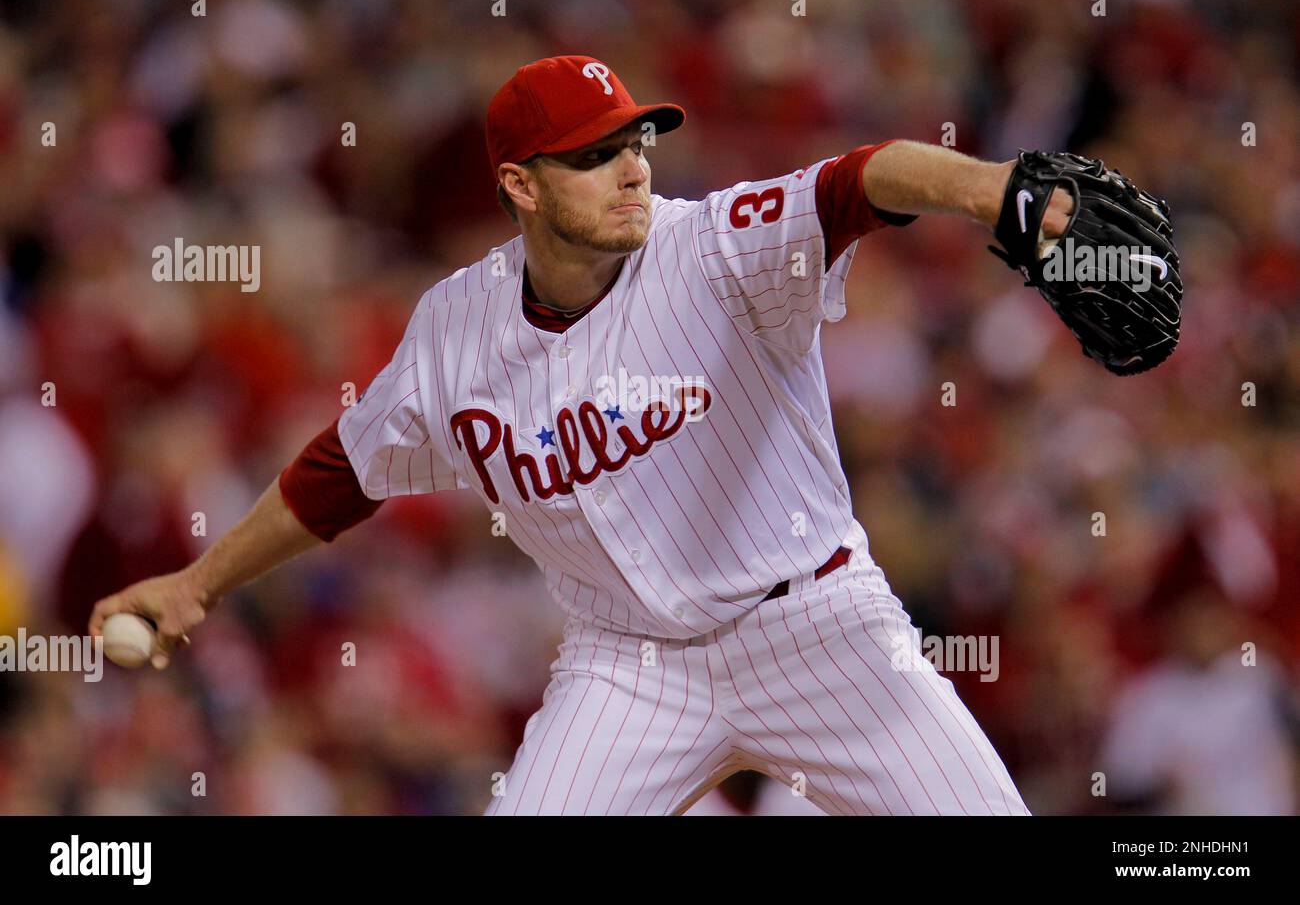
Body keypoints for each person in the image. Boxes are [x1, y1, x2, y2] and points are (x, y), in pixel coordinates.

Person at [91, 55, 1073, 815]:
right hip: (628, 667)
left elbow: (859, 180)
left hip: (814, 626)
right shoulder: (455, 329)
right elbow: (339, 475)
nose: (633, 169)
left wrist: (991, 188)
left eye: (637, 142)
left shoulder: (716, 245)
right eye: (596, 154)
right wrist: (195, 585)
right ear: (522, 186)